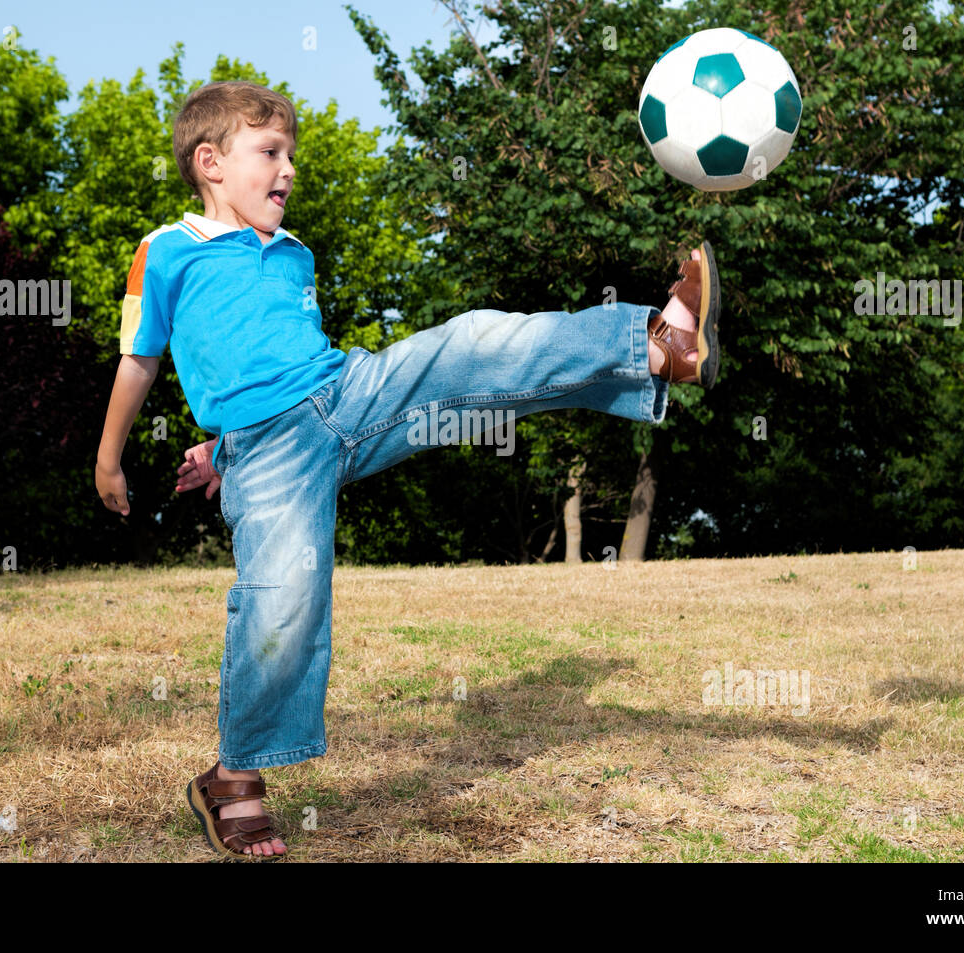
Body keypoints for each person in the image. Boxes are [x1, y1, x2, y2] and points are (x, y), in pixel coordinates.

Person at [95, 80, 721, 860]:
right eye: (271, 153)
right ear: (211, 161)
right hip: (268, 455)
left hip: (348, 397)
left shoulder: (295, 256)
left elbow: (275, 361)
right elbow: (144, 356)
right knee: (287, 594)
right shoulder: (166, 251)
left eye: (291, 154)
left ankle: (654, 345)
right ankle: (233, 780)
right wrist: (119, 452)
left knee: (472, 346)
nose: (288, 169)